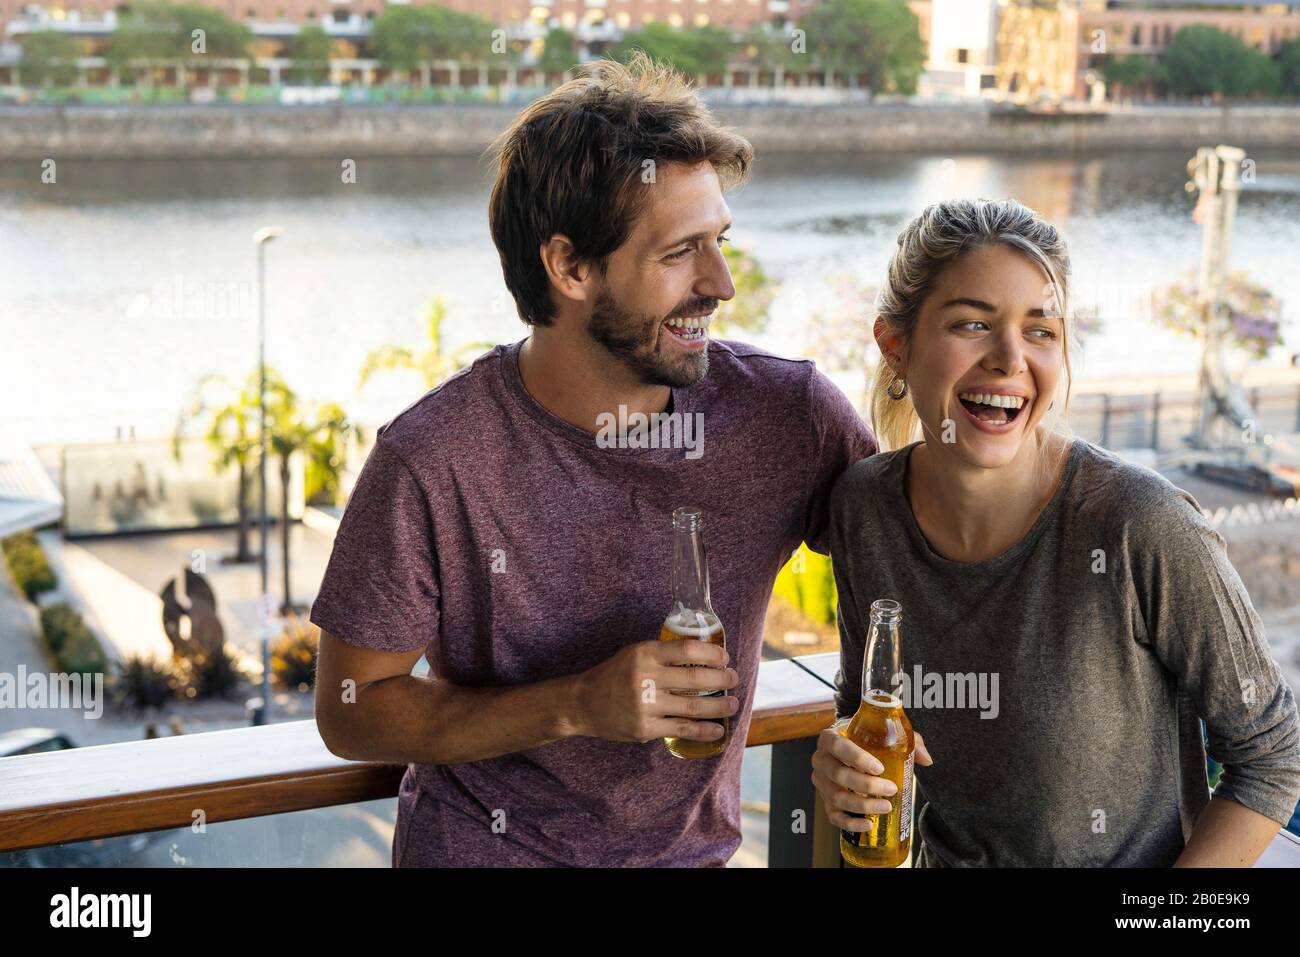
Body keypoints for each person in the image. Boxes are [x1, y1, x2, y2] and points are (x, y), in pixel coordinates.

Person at [310, 55, 877, 867]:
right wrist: (576, 703)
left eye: (721, 241)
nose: (720, 283)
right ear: (570, 266)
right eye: (681, 251)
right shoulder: (431, 457)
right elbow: (353, 708)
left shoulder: (789, 416)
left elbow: (919, 560)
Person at [812, 197, 1300, 867]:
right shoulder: (863, 508)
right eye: (973, 323)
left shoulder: (1140, 525)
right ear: (896, 346)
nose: (1010, 358)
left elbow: (1273, 754)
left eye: (1040, 330)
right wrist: (846, 765)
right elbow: (864, 709)